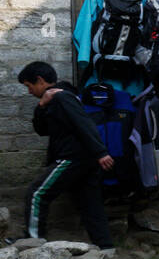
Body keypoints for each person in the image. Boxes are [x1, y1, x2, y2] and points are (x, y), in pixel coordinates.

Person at [15, 62, 114, 247]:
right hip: (85, 160)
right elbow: (42, 130)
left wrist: (101, 152)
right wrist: (41, 106)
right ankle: (105, 248)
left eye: (29, 86)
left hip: (72, 158)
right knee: (91, 205)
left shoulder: (62, 98)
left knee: (37, 194)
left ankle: (32, 242)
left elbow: (83, 123)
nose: (29, 92)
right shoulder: (55, 99)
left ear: (40, 81)